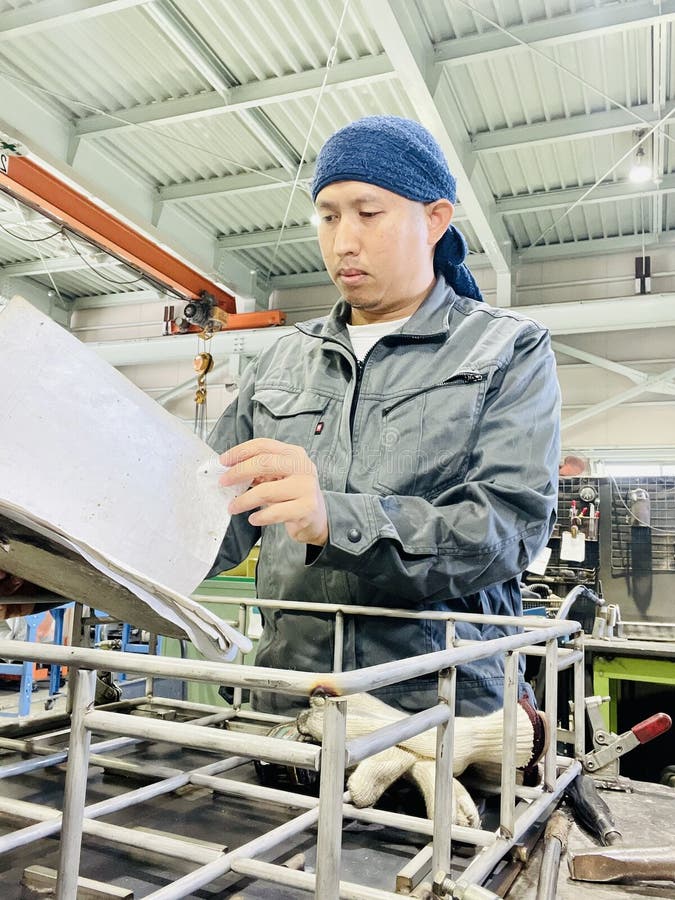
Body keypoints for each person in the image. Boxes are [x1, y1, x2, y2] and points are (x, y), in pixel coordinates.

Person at [210, 115, 561, 717]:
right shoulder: (279, 363)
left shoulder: (506, 350)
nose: (343, 240)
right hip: (290, 710)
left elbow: (504, 528)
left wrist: (334, 519)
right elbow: (209, 518)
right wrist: (57, 565)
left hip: (440, 719)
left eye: (368, 214)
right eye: (327, 215)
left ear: (434, 219)